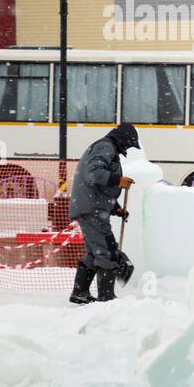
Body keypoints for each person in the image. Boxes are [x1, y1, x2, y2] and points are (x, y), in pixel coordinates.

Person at [68, 123, 139, 304]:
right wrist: (118, 179)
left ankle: (80, 293)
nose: (127, 148)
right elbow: (94, 173)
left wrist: (115, 208)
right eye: (128, 144)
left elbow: (99, 188)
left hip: (91, 206)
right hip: (92, 209)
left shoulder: (106, 147)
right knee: (106, 250)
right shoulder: (105, 147)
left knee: (95, 252)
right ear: (123, 139)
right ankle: (107, 298)